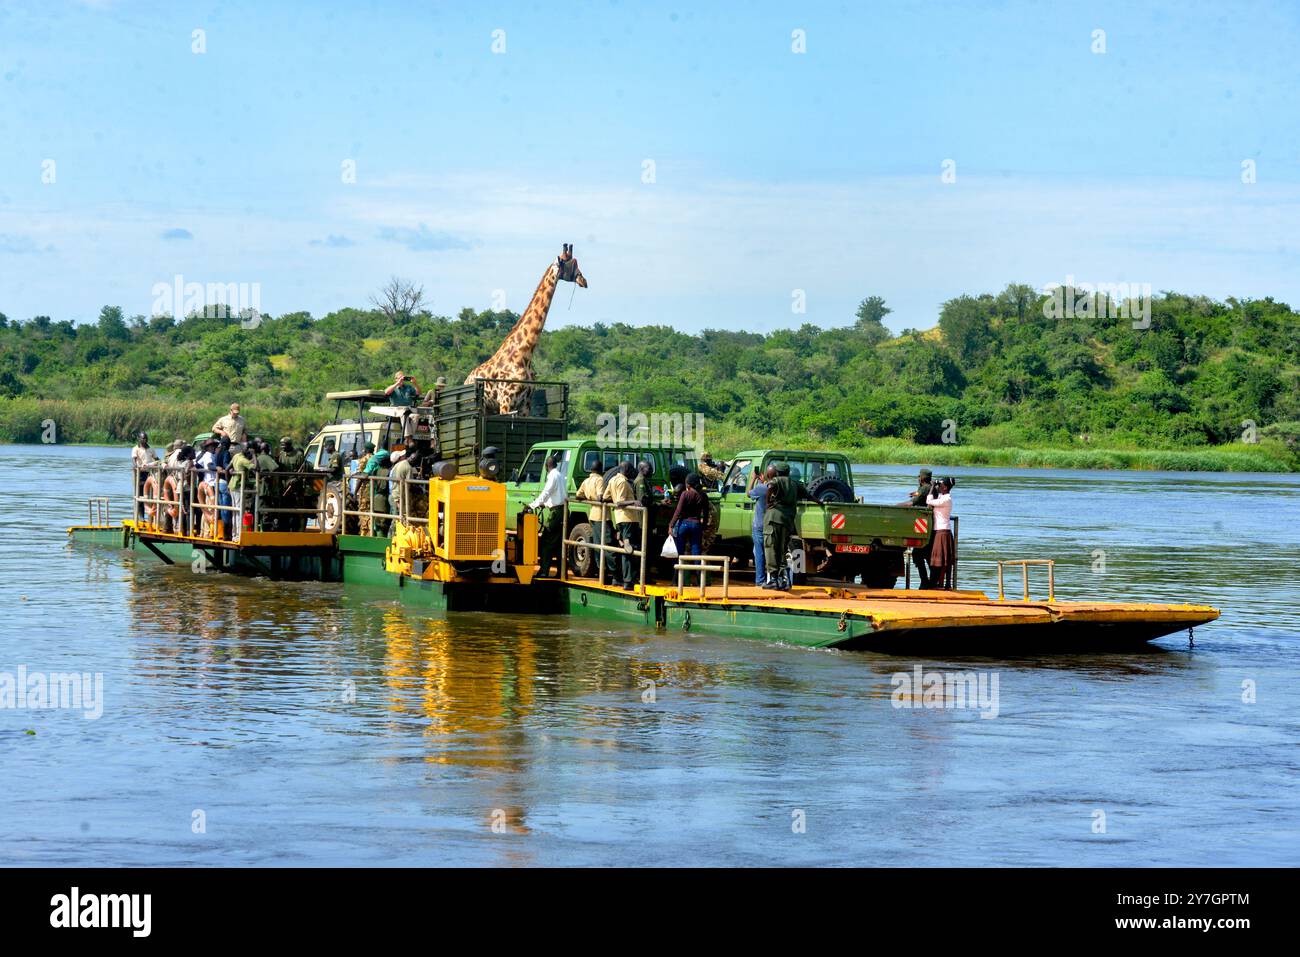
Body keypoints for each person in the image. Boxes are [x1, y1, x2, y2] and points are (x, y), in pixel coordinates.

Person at [763, 462, 813, 590]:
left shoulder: (776, 480)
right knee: (782, 549)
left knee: (770, 547)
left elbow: (770, 487)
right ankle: (784, 579)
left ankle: (773, 579)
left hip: (773, 518)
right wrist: (820, 502)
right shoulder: (795, 484)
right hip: (787, 520)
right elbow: (808, 495)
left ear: (777, 472)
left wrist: (768, 501)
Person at [529, 455, 567, 578]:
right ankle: (561, 572)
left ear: (547, 466)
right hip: (563, 511)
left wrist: (532, 505)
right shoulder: (561, 475)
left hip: (555, 513)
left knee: (546, 541)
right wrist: (544, 504)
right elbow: (557, 495)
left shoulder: (552, 476)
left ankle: (544, 571)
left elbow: (546, 492)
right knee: (559, 543)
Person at [669, 472, 710, 588]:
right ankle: (699, 581)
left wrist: (671, 525)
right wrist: (704, 526)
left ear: (688, 484)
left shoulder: (685, 494)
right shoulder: (703, 496)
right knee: (696, 554)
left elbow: (678, 511)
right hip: (696, 524)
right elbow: (706, 514)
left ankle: (675, 580)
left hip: (683, 525)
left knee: (679, 554)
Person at [605, 461, 641, 590]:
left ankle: (624, 578)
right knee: (629, 550)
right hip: (628, 519)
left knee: (625, 548)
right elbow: (620, 502)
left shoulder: (612, 480)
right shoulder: (622, 482)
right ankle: (628, 581)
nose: (632, 472)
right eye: (631, 469)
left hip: (619, 519)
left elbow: (605, 497)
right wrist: (634, 501)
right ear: (626, 470)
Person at [575, 459, 610, 581]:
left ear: (591, 469)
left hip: (592, 515)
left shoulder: (586, 481)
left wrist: (588, 497)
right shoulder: (599, 480)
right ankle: (603, 572)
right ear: (600, 470)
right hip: (602, 515)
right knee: (605, 543)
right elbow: (601, 497)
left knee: (596, 543)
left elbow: (577, 495)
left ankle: (600, 571)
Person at [899, 468, 934, 588]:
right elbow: (919, 495)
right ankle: (928, 581)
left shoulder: (925, 488)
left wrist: (897, 506)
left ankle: (926, 582)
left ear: (922, 478)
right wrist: (916, 494)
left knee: (919, 556)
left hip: (925, 527)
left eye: (919, 477)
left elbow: (911, 503)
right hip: (926, 527)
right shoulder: (927, 487)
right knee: (924, 556)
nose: (918, 479)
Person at [925, 477, 957, 589]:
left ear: (945, 487)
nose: (939, 487)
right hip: (941, 531)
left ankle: (946, 583)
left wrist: (933, 486)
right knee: (943, 559)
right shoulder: (942, 497)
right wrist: (936, 485)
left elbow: (928, 501)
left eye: (941, 485)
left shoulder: (946, 499)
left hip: (942, 532)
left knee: (944, 560)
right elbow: (936, 496)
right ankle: (942, 583)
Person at [632, 460, 657, 583]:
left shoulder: (645, 480)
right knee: (643, 549)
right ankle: (642, 577)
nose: (651, 470)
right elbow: (643, 500)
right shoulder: (640, 481)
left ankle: (645, 576)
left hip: (646, 520)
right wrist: (657, 504)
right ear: (642, 469)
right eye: (648, 468)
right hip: (642, 521)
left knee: (647, 549)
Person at [749, 465, 772, 585]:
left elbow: (748, 493)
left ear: (763, 476)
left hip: (759, 524)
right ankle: (771, 578)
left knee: (759, 553)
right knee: (765, 552)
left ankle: (760, 580)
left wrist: (753, 479)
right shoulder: (775, 488)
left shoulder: (761, 488)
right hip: (771, 524)